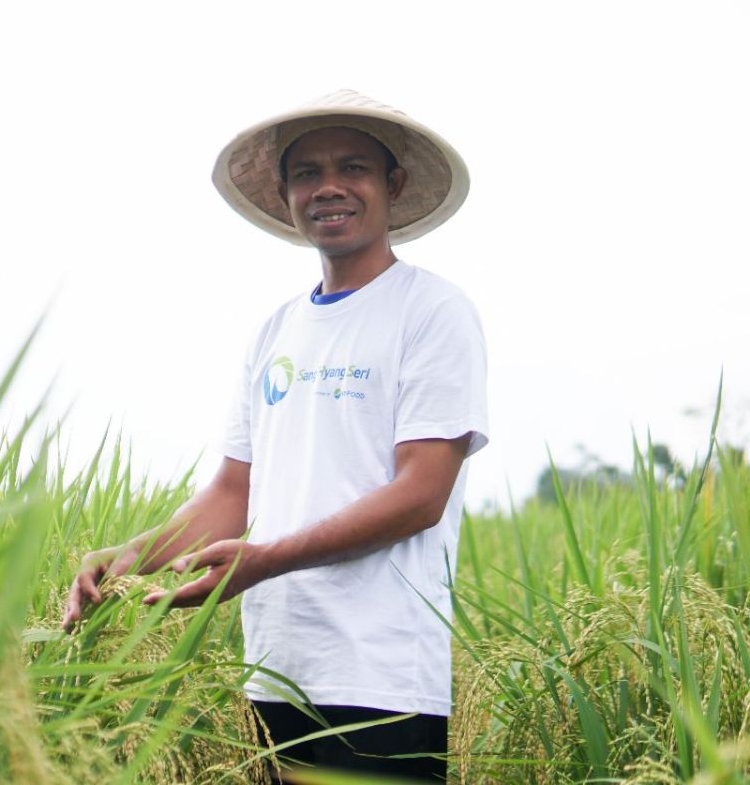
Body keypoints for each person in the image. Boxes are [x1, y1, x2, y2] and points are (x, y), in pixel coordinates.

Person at [62, 90, 488, 783]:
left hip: (380, 678)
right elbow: (234, 492)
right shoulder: (276, 332)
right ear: (287, 195)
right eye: (307, 173)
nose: (329, 187)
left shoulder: (433, 311)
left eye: (353, 168)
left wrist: (265, 561)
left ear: (393, 185)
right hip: (276, 671)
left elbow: (421, 494)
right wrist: (128, 559)